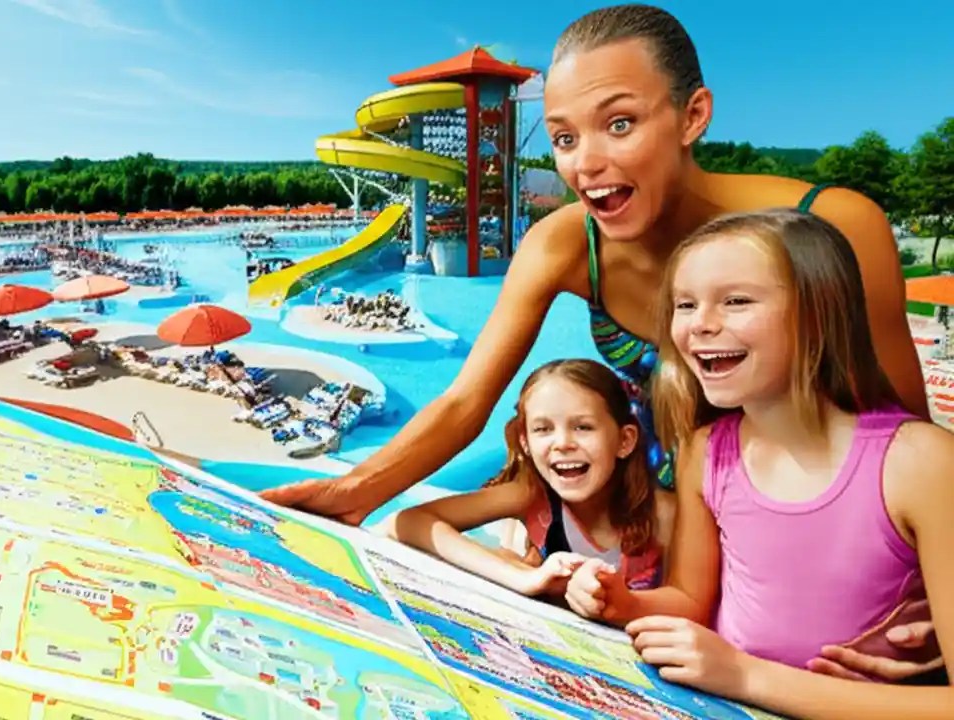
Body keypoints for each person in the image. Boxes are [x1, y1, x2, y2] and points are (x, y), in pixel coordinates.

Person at [259, 3, 934, 680]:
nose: (587, 163)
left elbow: (898, 426)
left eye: (620, 123)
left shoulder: (832, 228)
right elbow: (467, 401)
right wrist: (355, 491)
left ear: (693, 116)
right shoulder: (565, 240)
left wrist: (921, 591)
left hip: (783, 526)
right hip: (647, 517)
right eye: (562, 138)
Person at [561, 209, 951, 718]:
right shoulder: (707, 452)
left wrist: (746, 675)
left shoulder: (919, 464)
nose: (700, 323)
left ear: (819, 312)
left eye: (736, 301)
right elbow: (691, 601)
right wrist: (623, 603)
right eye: (684, 304)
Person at [384, 358, 674, 598]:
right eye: (543, 429)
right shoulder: (533, 496)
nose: (562, 443)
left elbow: (689, 606)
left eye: (583, 427)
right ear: (525, 442)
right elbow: (408, 522)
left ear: (625, 440)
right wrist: (522, 576)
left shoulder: (662, 515)